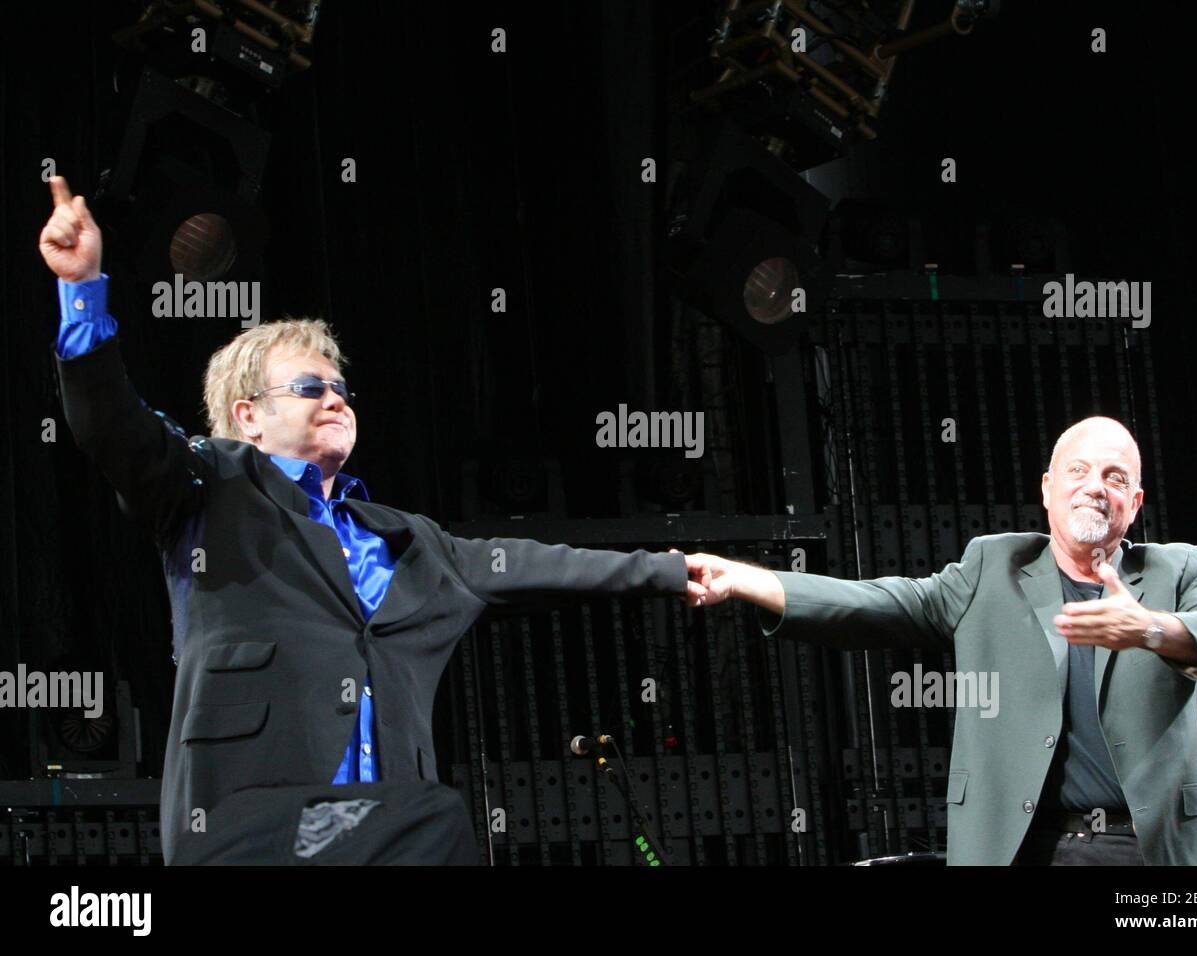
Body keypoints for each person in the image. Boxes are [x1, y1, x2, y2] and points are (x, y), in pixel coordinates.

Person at [39, 176, 707, 865]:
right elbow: (114, 427)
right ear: (248, 417)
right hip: (249, 826)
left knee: (434, 818)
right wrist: (82, 290)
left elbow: (551, 564)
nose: (334, 400)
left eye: (340, 389)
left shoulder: (407, 539)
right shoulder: (212, 486)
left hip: (386, 836)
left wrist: (677, 569)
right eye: (307, 388)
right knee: (440, 817)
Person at [682, 416, 1197, 865]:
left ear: (1136, 502)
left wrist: (1149, 628)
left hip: (1148, 853)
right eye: (1078, 471)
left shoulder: (1175, 569)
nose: (1095, 488)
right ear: (1048, 490)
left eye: (1114, 476)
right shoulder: (993, 564)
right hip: (1025, 847)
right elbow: (883, 602)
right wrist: (747, 580)